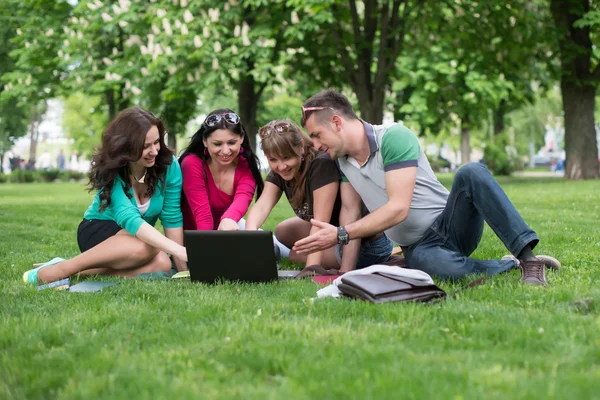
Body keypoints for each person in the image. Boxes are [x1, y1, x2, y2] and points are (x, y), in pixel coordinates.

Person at [293, 90, 561, 286]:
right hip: (418, 247)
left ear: (337, 122)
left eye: (317, 135)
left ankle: (529, 260)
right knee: (430, 268)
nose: (315, 145)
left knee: (471, 172)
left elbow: (398, 208)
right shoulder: (342, 161)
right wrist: (345, 274)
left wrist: (340, 234)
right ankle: (507, 266)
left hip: (451, 225)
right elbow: (350, 210)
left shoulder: (394, 138)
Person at [23, 107, 187, 285]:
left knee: (163, 264)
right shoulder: (111, 170)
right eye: (145, 146)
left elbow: (171, 216)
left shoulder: (169, 166)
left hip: (138, 240)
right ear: (127, 146)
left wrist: (181, 266)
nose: (154, 151)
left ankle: (77, 272)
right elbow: (129, 218)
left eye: (157, 142)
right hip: (100, 231)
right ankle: (61, 270)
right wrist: (178, 250)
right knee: (147, 246)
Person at [245, 119, 393, 272]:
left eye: (287, 158)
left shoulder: (320, 164)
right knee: (283, 230)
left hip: (364, 243)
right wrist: (249, 239)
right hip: (333, 234)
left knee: (295, 255)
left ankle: (370, 258)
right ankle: (281, 251)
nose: (281, 166)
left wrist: (311, 269)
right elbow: (262, 205)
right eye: (273, 159)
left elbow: (320, 222)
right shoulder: (280, 171)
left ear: (301, 147)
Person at [179, 109, 264, 231]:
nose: (225, 151)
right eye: (217, 144)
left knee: (272, 246)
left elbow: (242, 199)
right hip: (196, 238)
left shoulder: (246, 165)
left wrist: (228, 219)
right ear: (205, 141)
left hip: (227, 230)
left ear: (241, 138)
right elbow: (203, 217)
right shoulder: (191, 164)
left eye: (231, 142)